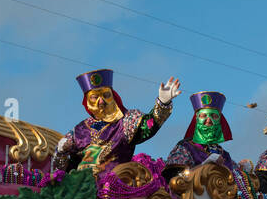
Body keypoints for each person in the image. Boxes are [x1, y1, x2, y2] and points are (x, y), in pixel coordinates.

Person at [52, 68, 181, 175]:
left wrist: (163, 103)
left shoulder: (127, 121)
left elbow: (150, 124)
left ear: (113, 97)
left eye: (106, 96)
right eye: (95, 97)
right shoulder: (79, 129)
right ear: (87, 102)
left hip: (115, 186)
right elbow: (60, 170)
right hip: (83, 189)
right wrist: (61, 152)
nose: (101, 102)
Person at [162, 91, 236, 179]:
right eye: (203, 116)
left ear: (220, 121)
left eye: (214, 116)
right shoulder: (185, 147)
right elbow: (174, 177)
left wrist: (244, 170)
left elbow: (238, 184)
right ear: (196, 120)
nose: (208, 120)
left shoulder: (225, 155)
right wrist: (204, 166)